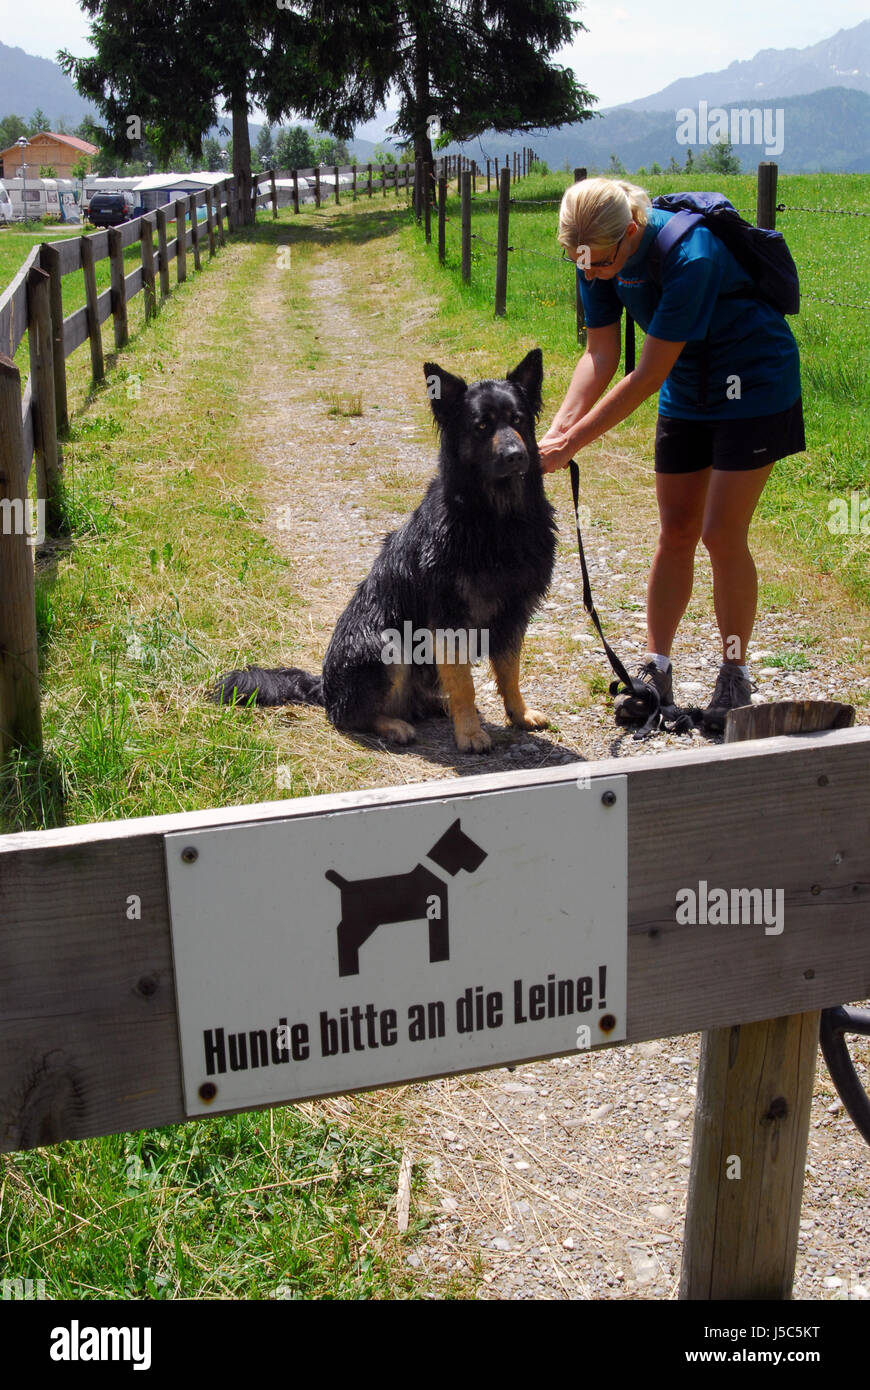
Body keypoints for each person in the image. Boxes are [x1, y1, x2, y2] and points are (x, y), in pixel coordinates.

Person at [538, 177, 804, 731]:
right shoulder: (596, 253)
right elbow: (601, 352)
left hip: (752, 383)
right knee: (676, 530)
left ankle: (734, 673)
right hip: (688, 389)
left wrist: (572, 444)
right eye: (577, 262)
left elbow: (646, 374)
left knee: (721, 533)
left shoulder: (693, 255)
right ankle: (656, 669)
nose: (588, 274)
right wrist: (558, 427)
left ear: (632, 231)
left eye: (598, 263)